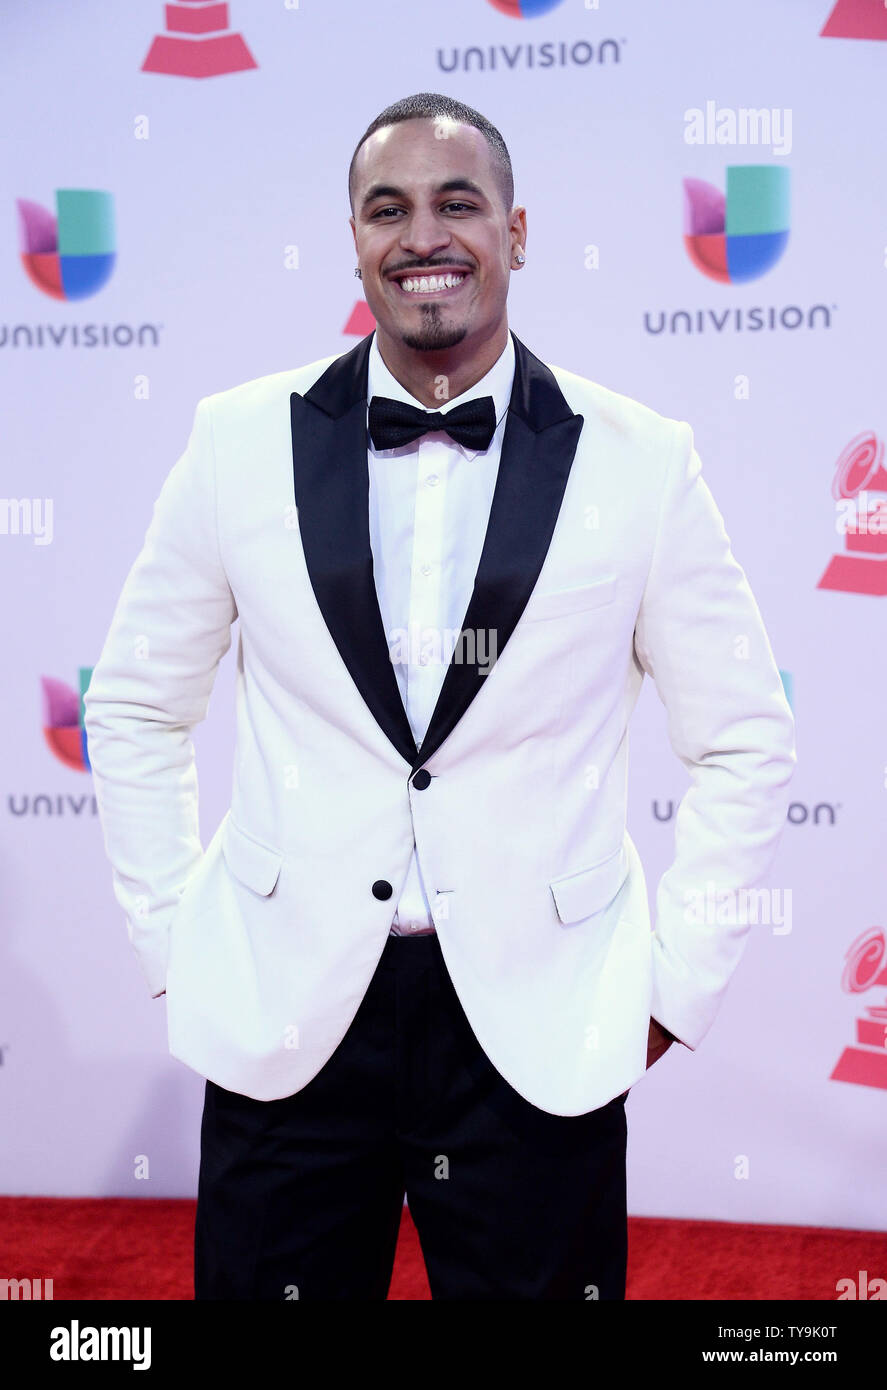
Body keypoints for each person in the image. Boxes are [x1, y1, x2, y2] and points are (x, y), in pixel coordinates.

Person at [83, 91, 796, 1301]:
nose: (424, 236)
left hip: (536, 1022)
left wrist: (676, 986)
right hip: (285, 1013)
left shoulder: (640, 460)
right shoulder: (233, 441)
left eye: (456, 203)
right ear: (352, 241)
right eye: (387, 209)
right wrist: (175, 942)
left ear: (517, 231)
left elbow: (743, 736)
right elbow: (137, 705)